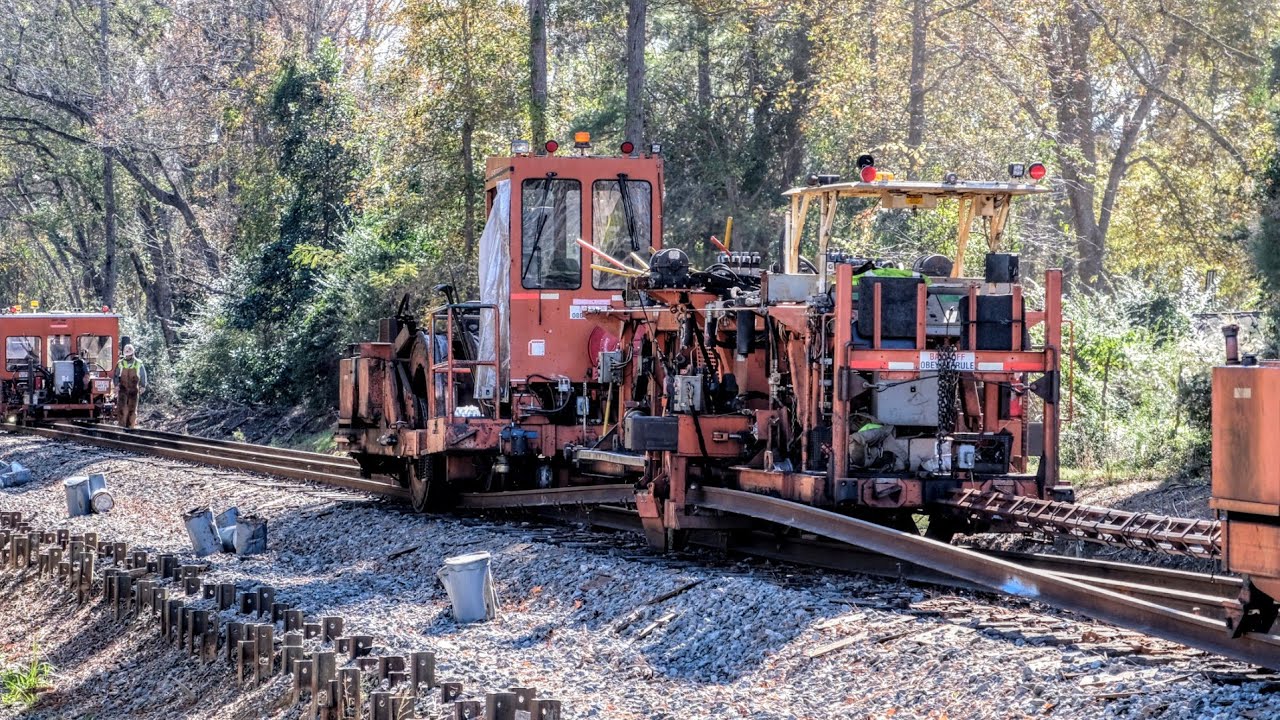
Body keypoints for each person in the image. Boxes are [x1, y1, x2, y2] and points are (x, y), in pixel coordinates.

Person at [114, 344, 148, 429]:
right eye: (126, 349)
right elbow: (115, 375)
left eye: (129, 349)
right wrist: (116, 385)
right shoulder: (120, 363)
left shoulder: (138, 363)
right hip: (123, 389)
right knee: (122, 409)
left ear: (133, 351)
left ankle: (130, 428)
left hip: (134, 390)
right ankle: (121, 428)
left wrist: (143, 386)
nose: (127, 351)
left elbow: (143, 375)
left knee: (132, 409)